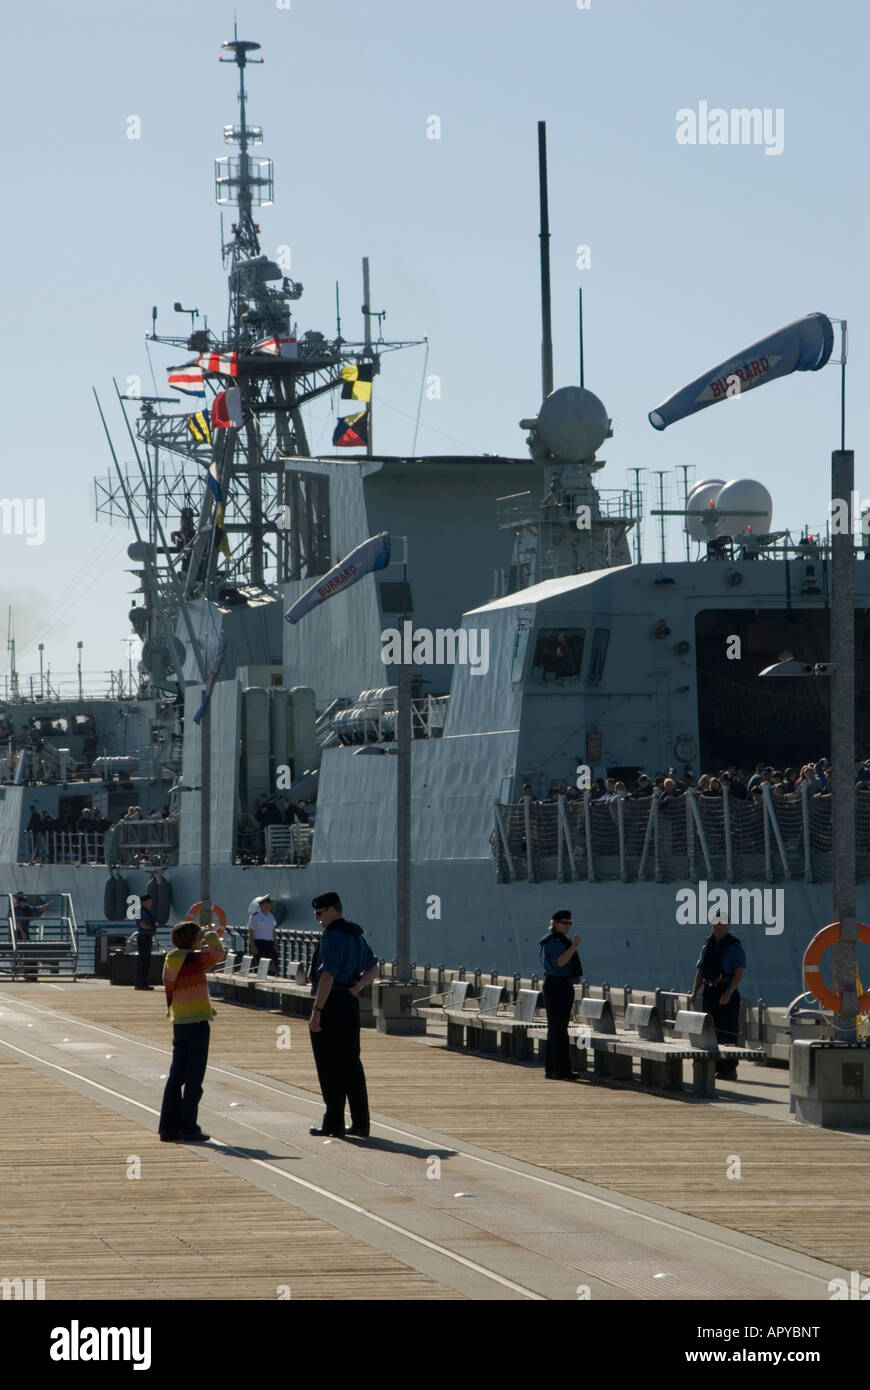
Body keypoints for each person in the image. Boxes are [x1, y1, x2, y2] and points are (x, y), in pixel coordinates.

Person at [308, 891, 378, 1138]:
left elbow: (327, 976)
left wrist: (317, 1011)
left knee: (329, 1065)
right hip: (350, 1003)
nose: (317, 919)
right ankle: (360, 1123)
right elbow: (373, 967)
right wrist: (357, 988)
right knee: (351, 1064)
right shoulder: (356, 935)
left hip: (331, 1002)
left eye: (319, 913)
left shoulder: (332, 937)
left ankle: (333, 1123)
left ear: (332, 910)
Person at [158, 921, 225, 1142]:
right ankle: (189, 1127)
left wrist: (198, 938)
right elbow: (217, 953)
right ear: (191, 940)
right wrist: (211, 935)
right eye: (198, 937)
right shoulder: (193, 960)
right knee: (195, 1078)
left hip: (179, 1021)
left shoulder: (170, 959)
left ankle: (168, 1128)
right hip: (197, 1022)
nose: (201, 940)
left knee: (176, 1076)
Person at [689, 911, 746, 1080]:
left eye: (723, 923)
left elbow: (738, 973)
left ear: (728, 926)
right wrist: (695, 991)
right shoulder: (707, 946)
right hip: (709, 991)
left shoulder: (734, 947)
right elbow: (700, 971)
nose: (719, 926)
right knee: (709, 1030)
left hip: (725, 992)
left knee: (727, 1031)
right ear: (711, 925)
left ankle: (728, 1068)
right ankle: (712, 1064)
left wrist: (729, 992)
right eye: (716, 923)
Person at [539, 910, 583, 1081]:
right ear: (555, 923)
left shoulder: (552, 940)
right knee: (559, 1030)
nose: (568, 926)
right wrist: (574, 946)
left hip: (556, 985)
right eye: (564, 923)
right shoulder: (556, 942)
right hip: (558, 986)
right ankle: (561, 1070)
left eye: (569, 923)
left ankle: (552, 1069)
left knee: (556, 1029)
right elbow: (560, 962)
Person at [246, 894, 277, 973]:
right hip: (259, 943)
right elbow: (251, 932)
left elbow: (273, 931)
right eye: (268, 904)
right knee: (260, 967)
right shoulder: (255, 916)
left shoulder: (271, 916)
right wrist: (253, 946)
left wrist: (275, 943)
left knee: (272, 966)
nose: (270, 905)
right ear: (262, 905)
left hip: (269, 944)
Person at [134, 892, 157, 990]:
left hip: (146, 937)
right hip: (144, 937)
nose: (151, 903)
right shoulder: (141, 912)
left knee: (144, 960)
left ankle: (141, 981)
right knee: (144, 960)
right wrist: (151, 928)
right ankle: (141, 982)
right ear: (143, 902)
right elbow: (142, 924)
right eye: (149, 901)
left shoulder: (143, 911)